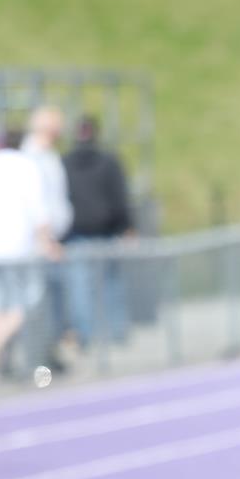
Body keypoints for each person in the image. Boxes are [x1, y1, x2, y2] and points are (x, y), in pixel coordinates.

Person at [0, 130, 61, 375]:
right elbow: (39, 212)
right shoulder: (26, 166)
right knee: (26, 304)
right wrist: (48, 242)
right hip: (19, 249)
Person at [63, 115, 135, 346]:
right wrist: (126, 226)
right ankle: (116, 334)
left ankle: (87, 336)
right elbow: (120, 196)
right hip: (105, 232)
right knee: (110, 286)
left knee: (81, 290)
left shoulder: (65, 163)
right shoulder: (108, 161)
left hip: (78, 234)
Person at [22, 107, 74, 363]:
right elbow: (35, 204)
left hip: (53, 238)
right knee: (35, 302)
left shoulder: (49, 155)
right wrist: (47, 241)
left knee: (53, 302)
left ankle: (49, 354)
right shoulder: (31, 157)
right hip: (39, 243)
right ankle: (36, 359)